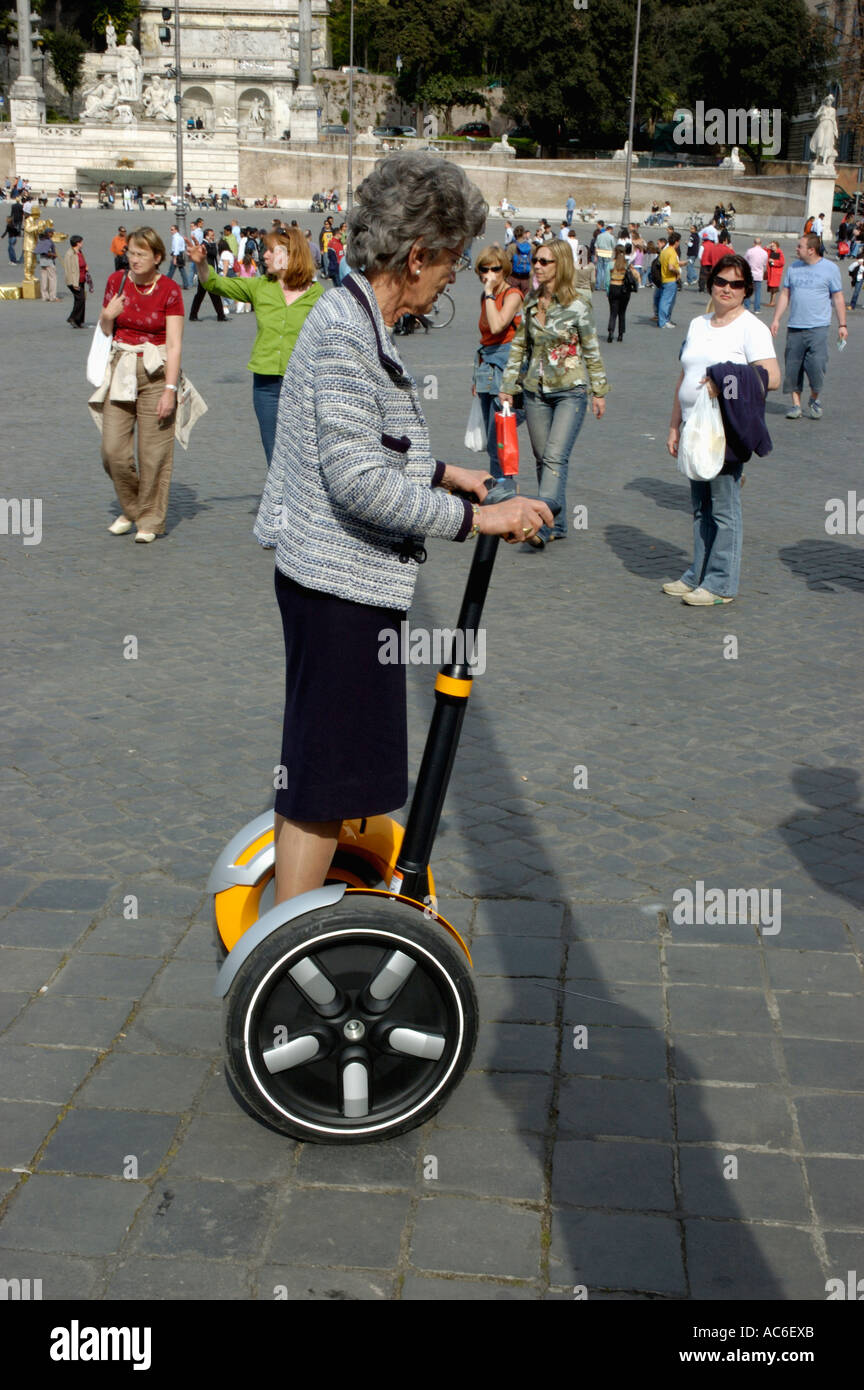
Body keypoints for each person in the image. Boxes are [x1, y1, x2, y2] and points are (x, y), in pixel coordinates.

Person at [252, 151, 551, 901]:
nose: (453, 279)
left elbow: (367, 445)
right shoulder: (346, 331)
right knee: (324, 782)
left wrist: (445, 471)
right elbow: (358, 483)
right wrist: (477, 517)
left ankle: (300, 926)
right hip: (337, 587)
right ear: (415, 255)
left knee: (332, 769)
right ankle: (290, 944)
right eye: (448, 263)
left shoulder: (355, 317)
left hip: (336, 582)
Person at [665, 254, 780, 606]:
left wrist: (726, 381)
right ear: (711, 283)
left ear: (747, 290)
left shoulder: (751, 328)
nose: (727, 289)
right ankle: (698, 572)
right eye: (721, 281)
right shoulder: (698, 323)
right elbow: (684, 375)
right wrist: (674, 425)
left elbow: (772, 377)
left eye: (736, 284)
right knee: (700, 507)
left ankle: (721, 583)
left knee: (724, 510)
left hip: (724, 430)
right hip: (694, 426)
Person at [499, 238, 609, 548]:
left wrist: (598, 390)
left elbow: (591, 348)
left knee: (554, 458)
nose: (537, 265)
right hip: (535, 390)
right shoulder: (531, 301)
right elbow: (520, 345)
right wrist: (508, 386)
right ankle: (557, 522)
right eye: (536, 260)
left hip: (569, 391)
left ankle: (541, 526)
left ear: (560, 265)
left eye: (544, 261)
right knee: (542, 458)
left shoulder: (578, 303)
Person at [187, 224, 323, 467]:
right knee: (274, 455)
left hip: (303, 384)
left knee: (304, 454)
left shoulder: (317, 295)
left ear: (290, 255)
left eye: (271, 250)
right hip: (266, 385)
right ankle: (279, 504)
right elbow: (215, 283)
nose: (265, 255)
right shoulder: (261, 286)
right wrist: (200, 263)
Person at [91, 227, 188, 542]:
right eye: (131, 253)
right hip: (121, 368)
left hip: (156, 373)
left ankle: (150, 519)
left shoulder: (170, 290)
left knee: (152, 454)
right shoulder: (116, 282)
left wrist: (170, 391)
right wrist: (107, 315)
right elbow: (105, 329)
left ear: (157, 257)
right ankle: (133, 508)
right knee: (112, 451)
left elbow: (174, 344)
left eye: (141, 254)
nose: (133, 259)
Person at [770, 231, 847, 420]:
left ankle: (814, 398)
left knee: (817, 366)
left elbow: (837, 297)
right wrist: (776, 319)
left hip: (818, 327)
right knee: (792, 367)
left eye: (800, 246)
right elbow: (785, 294)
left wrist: (842, 324)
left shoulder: (830, 269)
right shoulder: (794, 268)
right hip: (795, 326)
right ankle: (796, 405)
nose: (796, 249)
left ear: (811, 250)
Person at [471, 243, 524, 482]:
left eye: (495, 269)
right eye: (484, 269)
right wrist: (476, 376)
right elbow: (485, 335)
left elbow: (496, 325)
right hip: (487, 367)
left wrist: (491, 293)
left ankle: (504, 494)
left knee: (501, 441)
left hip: (504, 369)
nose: (489, 274)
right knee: (494, 441)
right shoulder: (486, 296)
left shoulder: (512, 295)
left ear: (504, 270)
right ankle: (500, 492)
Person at [188, 228, 227, 322]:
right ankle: (220, 316)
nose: (213, 237)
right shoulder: (204, 245)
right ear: (206, 236)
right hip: (206, 274)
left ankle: (194, 315)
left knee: (204, 295)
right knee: (206, 295)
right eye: (212, 235)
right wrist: (213, 244)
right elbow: (213, 253)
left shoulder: (208, 244)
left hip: (209, 274)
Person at [606, 248, 639, 342]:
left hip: (613, 288)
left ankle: (611, 332)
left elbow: (607, 280)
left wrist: (608, 291)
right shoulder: (627, 264)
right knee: (622, 313)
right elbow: (634, 275)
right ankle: (620, 334)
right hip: (624, 290)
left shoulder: (610, 264)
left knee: (613, 312)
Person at [63, 233, 89, 327]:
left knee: (80, 299)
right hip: (74, 281)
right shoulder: (70, 254)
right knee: (81, 299)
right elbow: (69, 270)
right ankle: (73, 318)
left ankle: (78, 320)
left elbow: (81, 263)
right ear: (77, 243)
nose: (82, 244)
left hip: (81, 279)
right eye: (81, 242)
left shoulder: (79, 252)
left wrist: (85, 267)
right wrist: (74, 283)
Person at [658, 231, 682, 327]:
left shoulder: (664, 251)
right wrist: (678, 272)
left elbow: (661, 263)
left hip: (664, 277)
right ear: (676, 242)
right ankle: (663, 321)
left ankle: (665, 320)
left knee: (665, 300)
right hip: (670, 279)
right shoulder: (672, 252)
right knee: (667, 301)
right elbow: (671, 267)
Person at [743, 237, 768, 312]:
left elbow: (745, 261)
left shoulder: (749, 251)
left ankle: (746, 307)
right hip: (759, 274)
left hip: (750, 274)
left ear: (754, 243)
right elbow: (764, 264)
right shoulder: (764, 253)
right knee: (758, 292)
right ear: (761, 243)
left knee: (748, 291)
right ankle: (757, 308)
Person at [508, 225, 532, 292]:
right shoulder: (531, 246)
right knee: (526, 300)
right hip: (527, 278)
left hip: (514, 277)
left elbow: (507, 262)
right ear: (524, 234)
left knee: (514, 297)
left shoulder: (511, 247)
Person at [36, 228, 59, 300]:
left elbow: (38, 251)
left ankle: (45, 296)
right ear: (48, 233)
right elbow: (45, 252)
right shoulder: (48, 242)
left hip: (42, 262)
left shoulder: (41, 241)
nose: (52, 234)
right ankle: (52, 296)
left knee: (44, 279)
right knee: (53, 279)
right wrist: (53, 255)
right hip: (49, 261)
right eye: (51, 233)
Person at [593, 222, 616, 292]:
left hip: (600, 253)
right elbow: (614, 246)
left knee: (599, 270)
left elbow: (596, 246)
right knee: (607, 271)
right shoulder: (611, 237)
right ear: (610, 230)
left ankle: (597, 285)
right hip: (608, 254)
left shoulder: (599, 236)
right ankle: (606, 286)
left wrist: (595, 255)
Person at [765, 240, 785, 308]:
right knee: (771, 288)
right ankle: (771, 301)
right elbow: (762, 251)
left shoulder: (780, 252)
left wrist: (773, 261)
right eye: (771, 246)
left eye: (773, 246)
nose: (772, 247)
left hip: (776, 273)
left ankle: (772, 302)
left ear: (777, 246)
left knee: (774, 288)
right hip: (771, 273)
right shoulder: (770, 251)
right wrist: (767, 247)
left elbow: (782, 262)